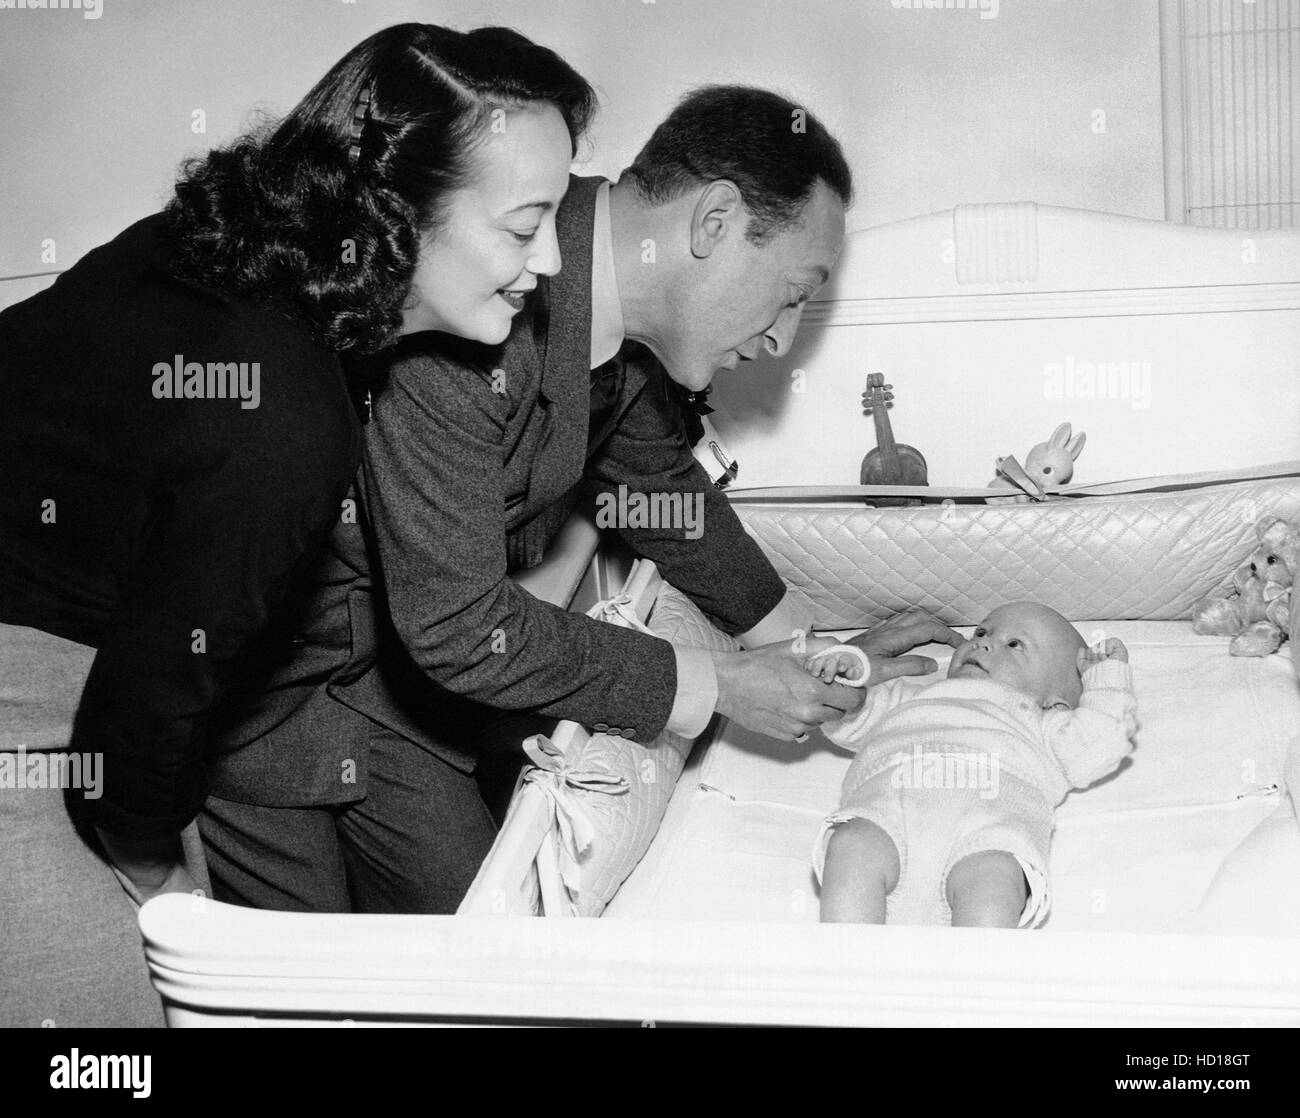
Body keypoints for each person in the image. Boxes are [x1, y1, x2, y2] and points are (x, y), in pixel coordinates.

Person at [201, 85, 963, 915]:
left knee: (488, 935)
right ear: (713, 222)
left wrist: (816, 649)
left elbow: (664, 501)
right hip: (266, 685)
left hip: (387, 686)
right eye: (792, 291)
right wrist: (718, 683)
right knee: (295, 973)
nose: (783, 337)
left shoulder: (623, 343)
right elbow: (463, 626)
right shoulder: (487, 290)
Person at [0, 22, 595, 1025]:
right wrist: (174, 897)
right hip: (35, 671)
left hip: (79, 646)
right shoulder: (285, 416)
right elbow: (131, 738)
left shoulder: (220, 250)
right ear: (400, 214)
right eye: (525, 222)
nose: (548, 260)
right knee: (106, 1038)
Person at [808, 602, 1137, 927]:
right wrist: (840, 678)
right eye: (982, 631)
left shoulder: (1044, 723)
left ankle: (974, 972)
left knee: (993, 879)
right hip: (886, 815)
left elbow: (1099, 743)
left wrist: (1105, 678)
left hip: (987, 833)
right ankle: (850, 959)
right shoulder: (911, 697)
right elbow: (848, 716)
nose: (982, 642)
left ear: (1054, 701)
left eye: (1013, 644)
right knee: (851, 845)